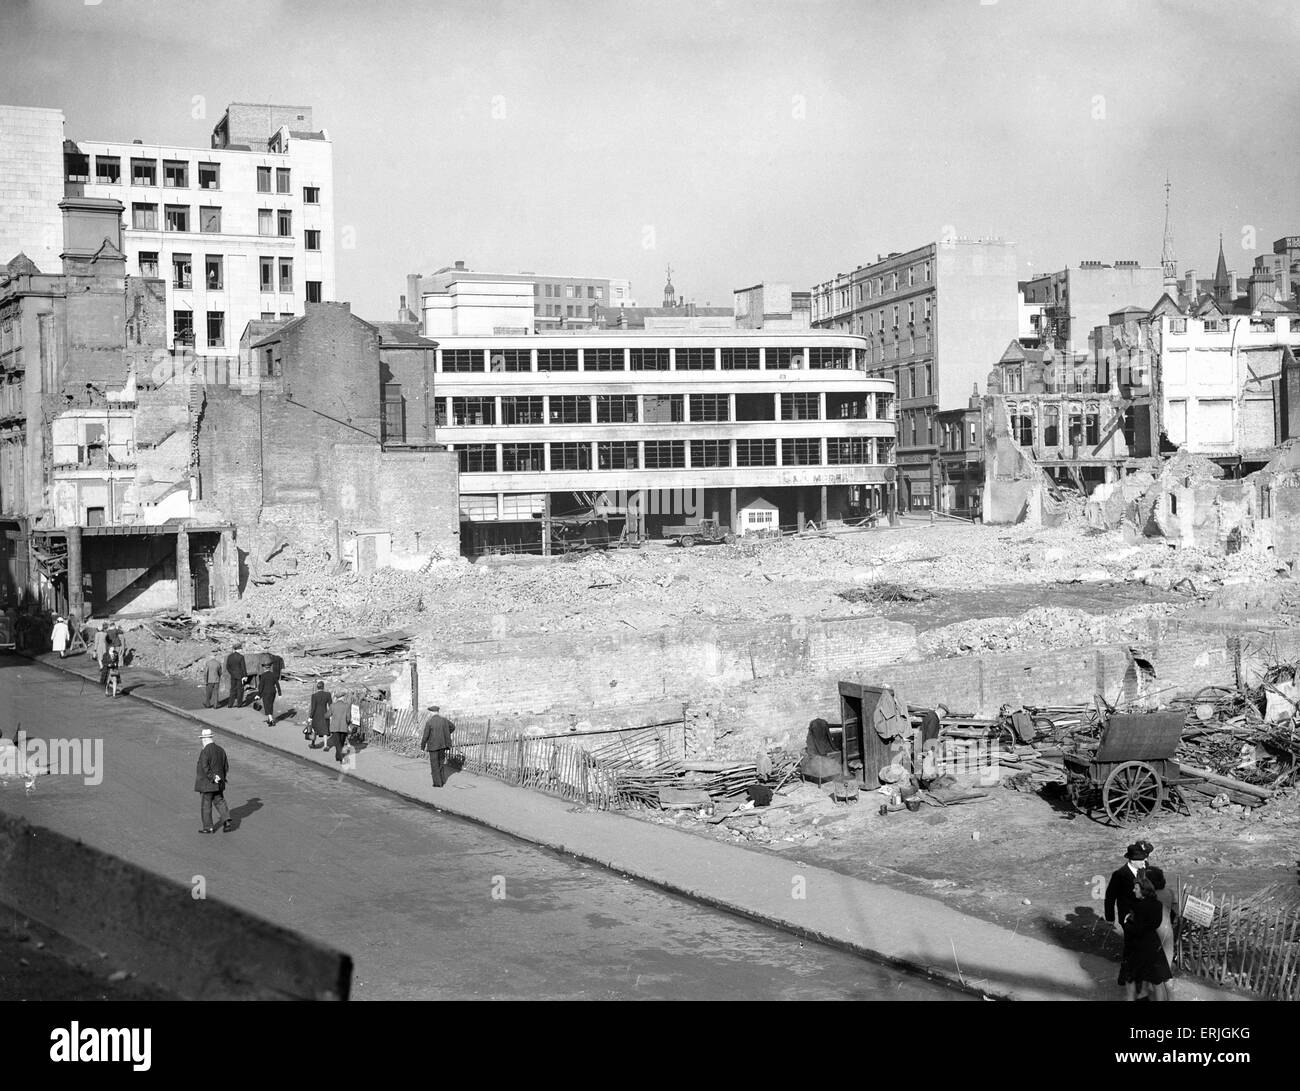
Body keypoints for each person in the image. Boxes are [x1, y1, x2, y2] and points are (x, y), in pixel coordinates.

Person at [1119, 873, 1173, 1001]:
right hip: (1154, 944)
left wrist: (1126, 924)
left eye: (1136, 888)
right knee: (1157, 981)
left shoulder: (1140, 907)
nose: (1134, 890)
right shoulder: (1158, 904)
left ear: (1143, 890)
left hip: (1141, 947)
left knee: (1130, 977)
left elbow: (1137, 930)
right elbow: (1156, 923)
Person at [1104, 841, 1151, 932]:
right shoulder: (1119, 875)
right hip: (1128, 916)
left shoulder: (1143, 870)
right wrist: (1110, 918)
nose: (1144, 862)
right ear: (1132, 860)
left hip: (1144, 914)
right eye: (1141, 860)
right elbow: (1110, 897)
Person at [194, 727, 232, 834]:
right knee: (219, 801)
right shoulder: (221, 750)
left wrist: (213, 777)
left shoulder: (205, 751)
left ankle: (208, 827)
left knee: (206, 804)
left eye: (202, 739)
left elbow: (205, 767)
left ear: (205, 739)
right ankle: (227, 821)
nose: (202, 741)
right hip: (219, 783)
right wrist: (221, 778)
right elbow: (226, 766)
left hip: (208, 783)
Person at [1146, 866, 1178, 992]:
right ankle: (1169, 984)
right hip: (1167, 930)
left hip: (1152, 932)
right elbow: (1175, 910)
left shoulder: (1149, 896)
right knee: (1166, 955)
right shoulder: (1169, 893)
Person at [419, 704, 456, 787]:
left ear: (432, 712)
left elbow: (425, 736)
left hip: (433, 746)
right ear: (438, 712)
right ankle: (442, 780)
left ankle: (437, 783)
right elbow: (453, 727)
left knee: (434, 764)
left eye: (430, 712)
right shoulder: (444, 720)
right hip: (442, 745)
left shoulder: (429, 722)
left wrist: (422, 747)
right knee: (441, 763)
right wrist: (446, 732)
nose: (430, 714)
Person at [258, 652, 283, 727]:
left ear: (264, 668)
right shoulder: (273, 675)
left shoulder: (263, 676)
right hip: (273, 692)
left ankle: (271, 720)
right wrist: (279, 693)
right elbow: (277, 684)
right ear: (269, 667)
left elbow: (261, 686)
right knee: (270, 705)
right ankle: (269, 719)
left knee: (266, 705)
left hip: (265, 692)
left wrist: (258, 694)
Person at [327, 691, 350, 763]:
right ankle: (340, 758)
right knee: (341, 743)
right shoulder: (347, 706)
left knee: (338, 743)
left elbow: (328, 715)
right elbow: (348, 718)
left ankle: (339, 757)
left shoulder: (332, 705)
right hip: (343, 727)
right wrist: (348, 723)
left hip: (334, 727)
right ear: (342, 697)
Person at [307, 682, 331, 749]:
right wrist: (331, 714)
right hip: (324, 713)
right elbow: (330, 705)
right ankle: (325, 745)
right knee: (325, 730)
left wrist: (310, 717)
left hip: (316, 715)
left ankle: (313, 743)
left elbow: (313, 707)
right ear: (323, 687)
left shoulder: (314, 695)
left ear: (317, 687)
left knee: (314, 729)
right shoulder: (328, 694)